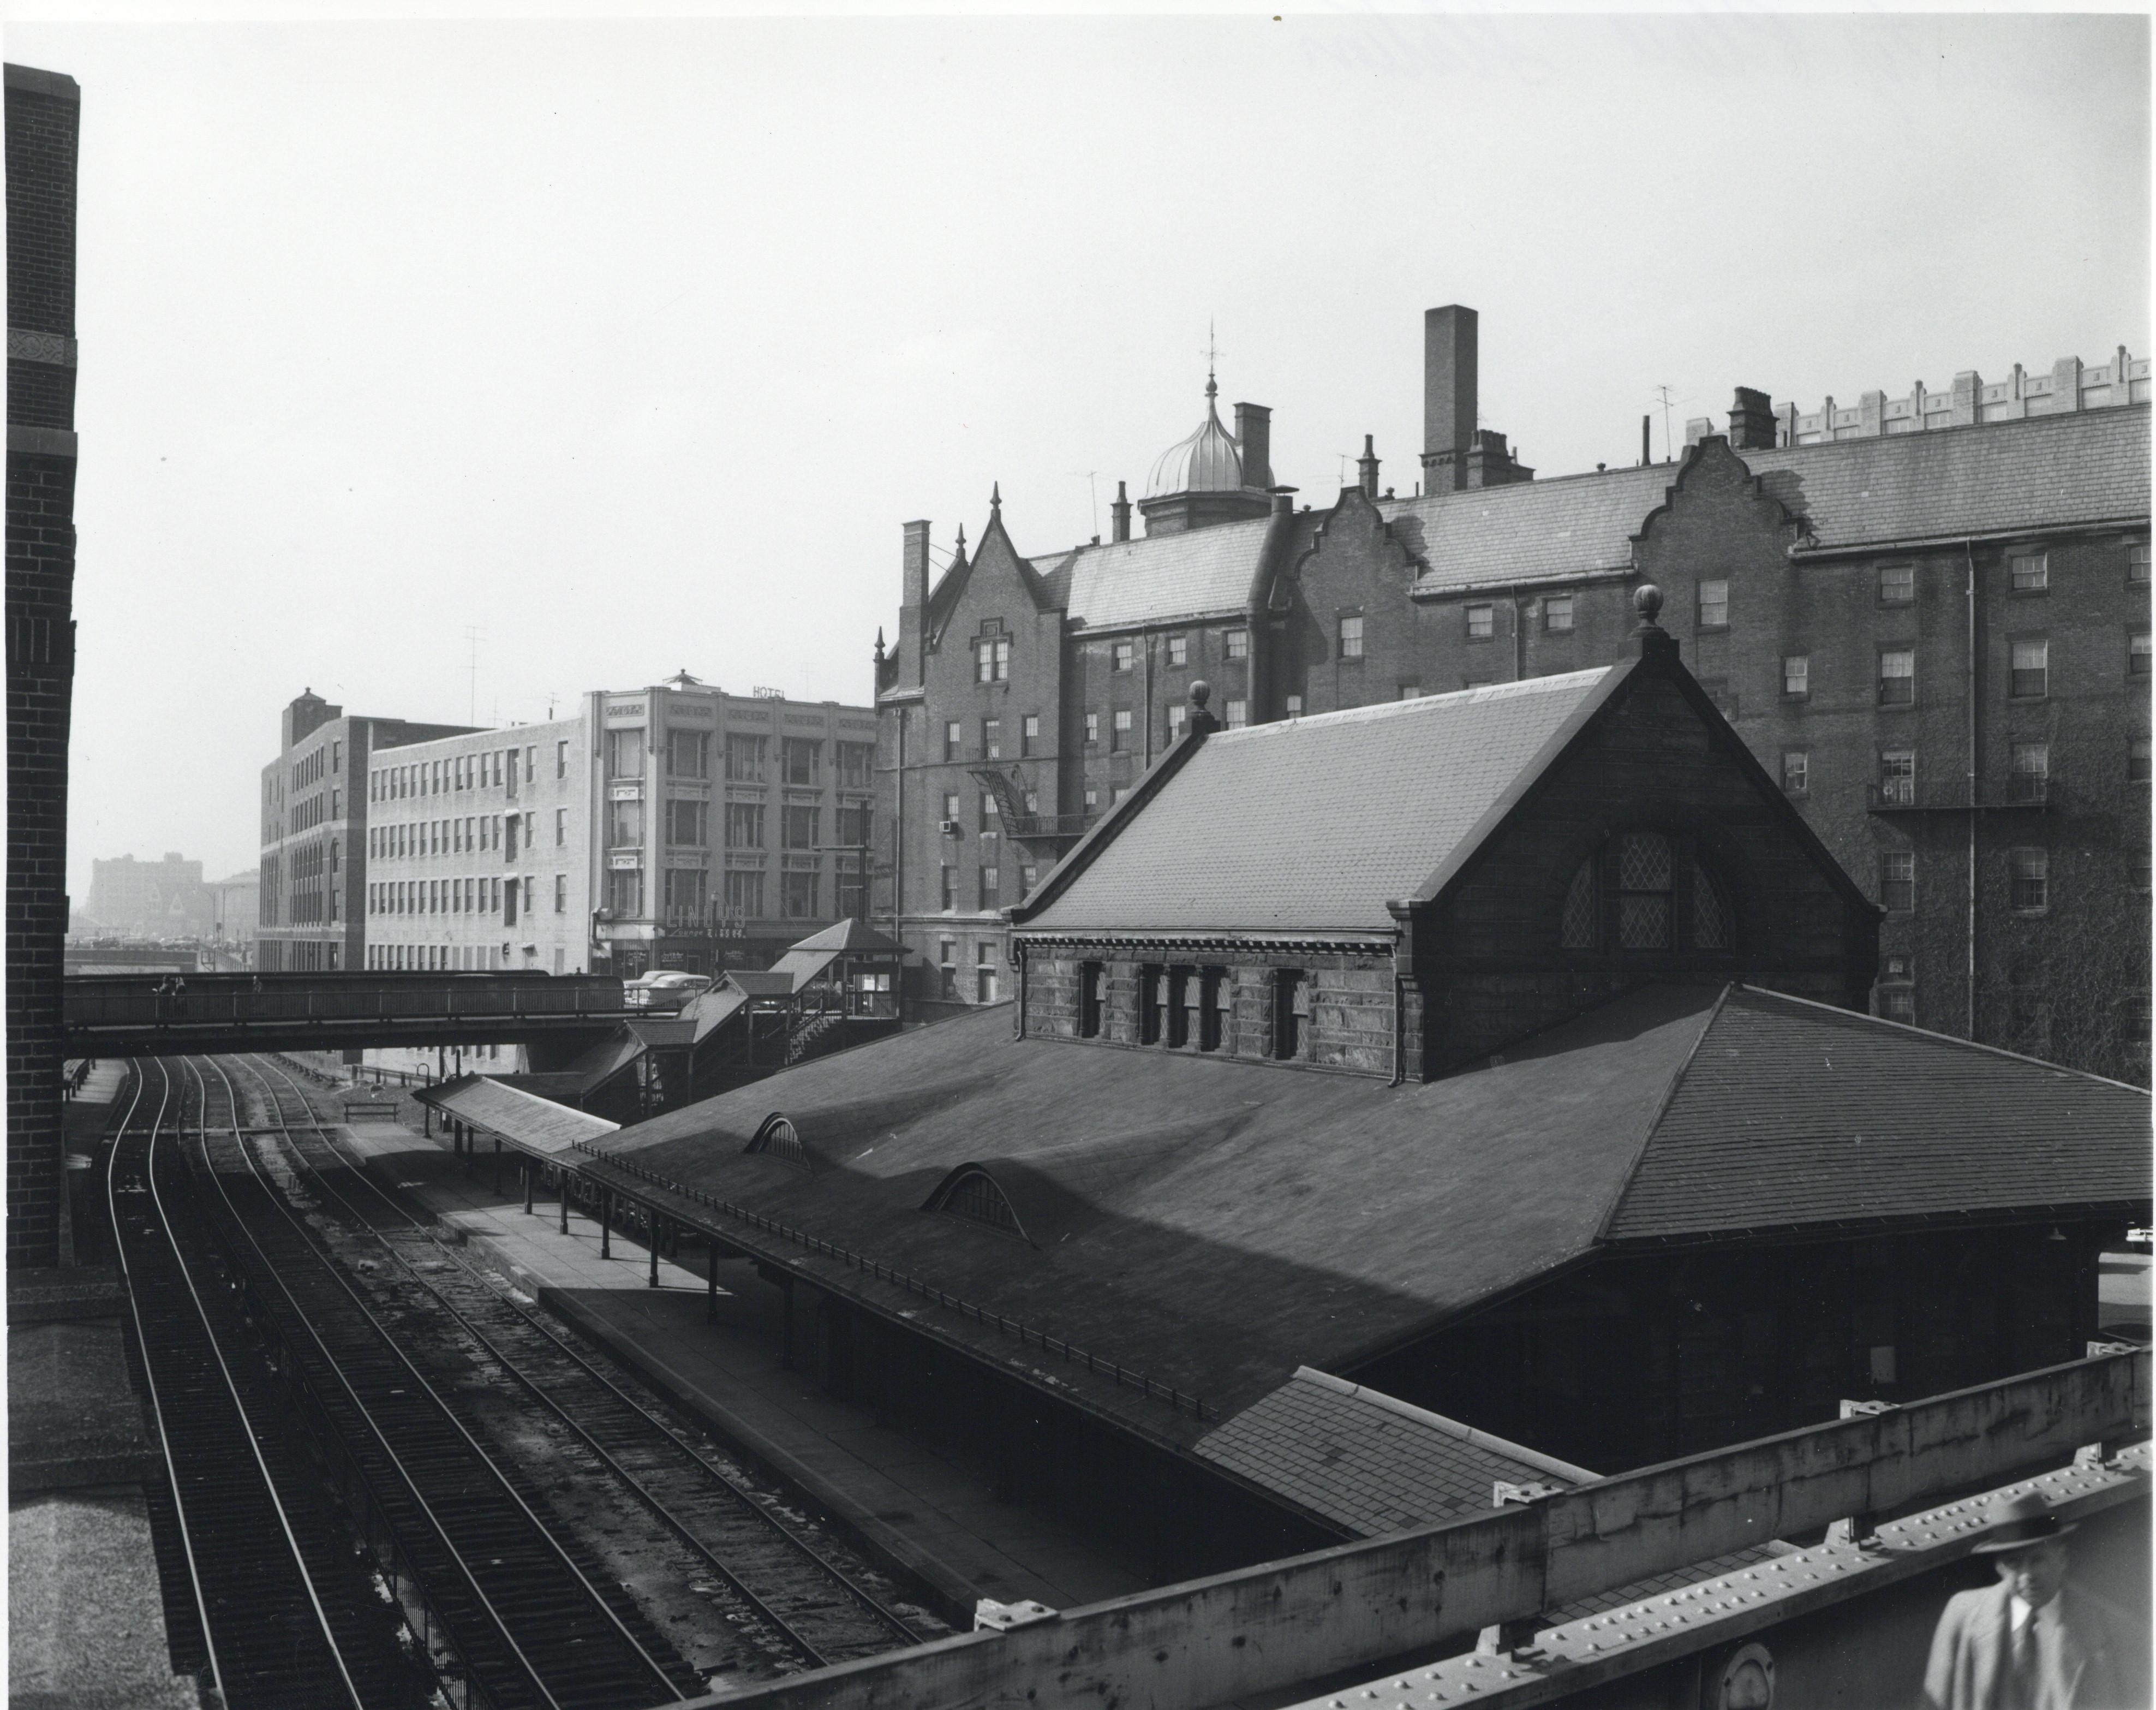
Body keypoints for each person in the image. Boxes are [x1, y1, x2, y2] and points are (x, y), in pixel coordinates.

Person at [1923, 1488, 2131, 1709]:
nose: (2027, 1575)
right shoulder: (1962, 1615)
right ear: (2000, 1568)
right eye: (2014, 1563)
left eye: (2037, 1560)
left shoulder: (2107, 1625)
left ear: (2062, 1558)